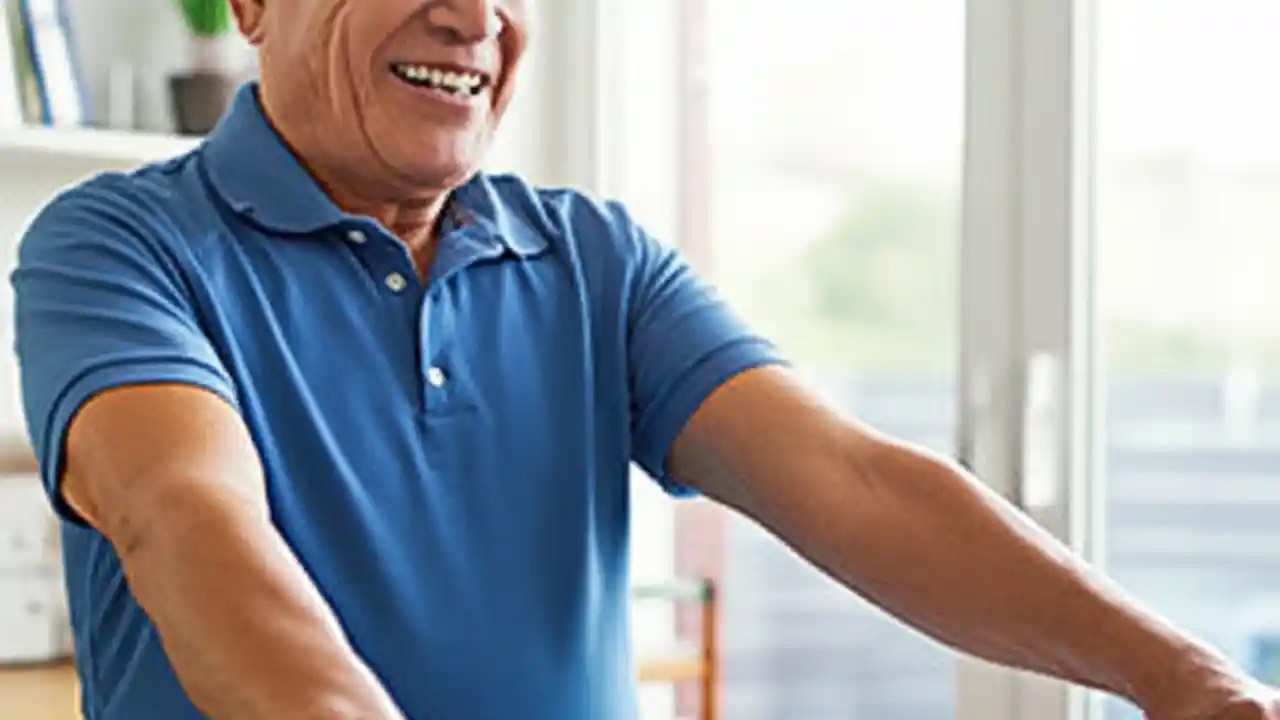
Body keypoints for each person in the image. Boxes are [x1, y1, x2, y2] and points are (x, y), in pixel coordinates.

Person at [11, 1, 1278, 718]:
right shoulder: (119, 245)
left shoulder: (591, 260)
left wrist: (1190, 686)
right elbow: (188, 519)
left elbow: (854, 483)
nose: (471, 14)